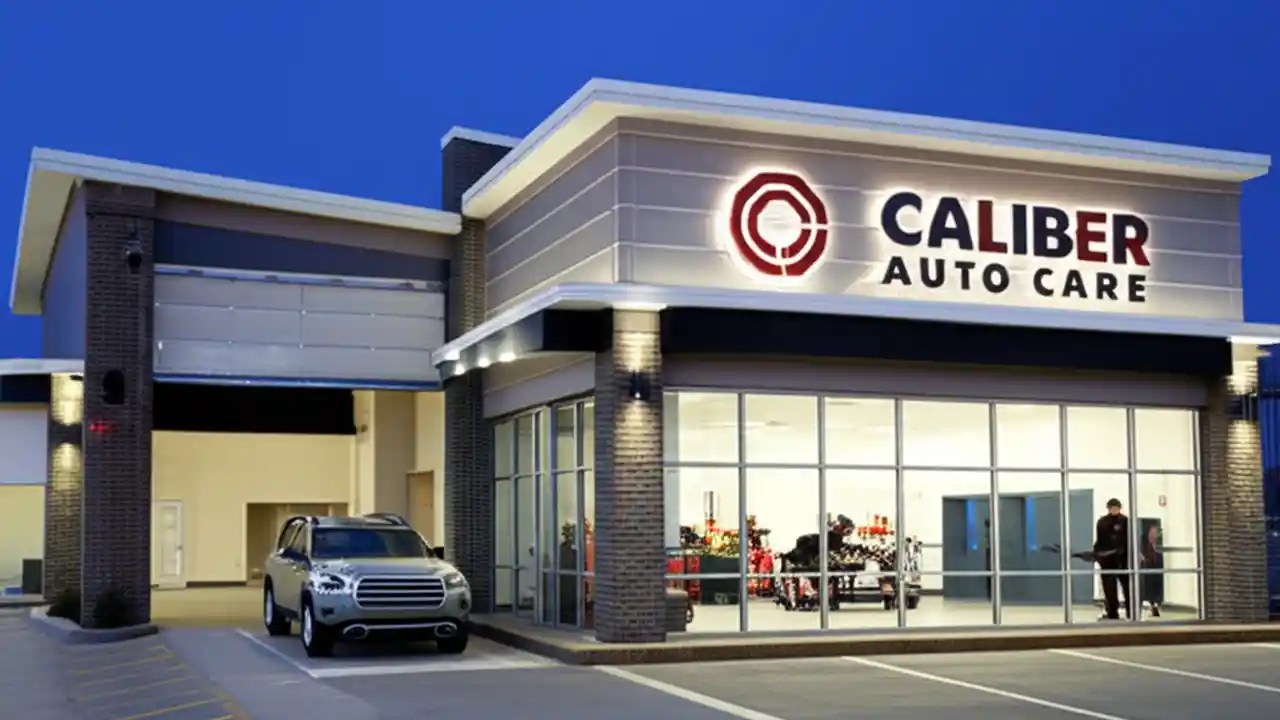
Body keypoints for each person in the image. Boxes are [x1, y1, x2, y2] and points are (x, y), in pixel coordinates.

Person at [1094, 498, 1131, 620]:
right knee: (1109, 589)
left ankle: (1131, 611)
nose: (1114, 510)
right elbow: (1100, 541)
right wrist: (1098, 555)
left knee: (1128, 588)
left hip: (1122, 560)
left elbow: (1129, 541)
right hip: (1107, 560)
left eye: (1116, 508)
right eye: (1112, 508)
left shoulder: (1125, 521)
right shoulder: (1102, 522)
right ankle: (1112, 612)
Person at [1141, 524, 1164, 618]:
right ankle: (1152, 603)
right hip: (1148, 567)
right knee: (1148, 584)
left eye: (1155, 533)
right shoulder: (1144, 545)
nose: (1153, 536)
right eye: (1152, 533)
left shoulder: (1158, 545)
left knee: (1156, 584)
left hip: (1155, 567)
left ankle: (1155, 604)